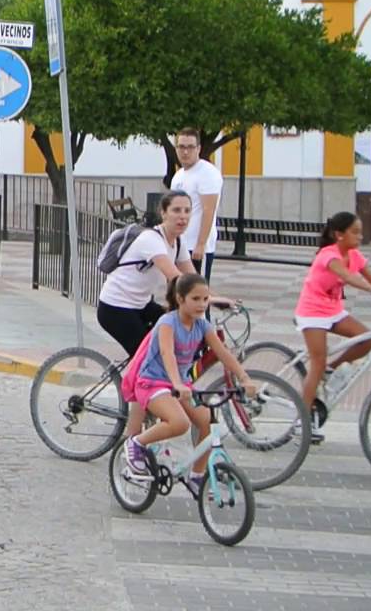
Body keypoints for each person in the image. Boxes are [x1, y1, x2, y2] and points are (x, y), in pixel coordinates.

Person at [97, 191, 231, 441]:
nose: (182, 217)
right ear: (163, 213)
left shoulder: (177, 242)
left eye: (187, 211)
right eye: (176, 211)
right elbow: (177, 279)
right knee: (147, 365)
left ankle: (153, 405)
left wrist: (216, 297)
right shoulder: (152, 240)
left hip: (140, 304)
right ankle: (133, 438)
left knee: (169, 334)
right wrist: (208, 300)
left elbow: (194, 279)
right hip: (115, 308)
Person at [121, 274, 256, 487]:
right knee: (180, 423)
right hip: (153, 383)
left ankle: (196, 475)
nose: (202, 304)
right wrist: (177, 383)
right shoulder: (167, 322)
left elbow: (223, 352)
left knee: (207, 422)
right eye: (196, 299)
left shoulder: (201, 325)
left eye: (205, 299)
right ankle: (136, 443)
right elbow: (167, 353)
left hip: (180, 386)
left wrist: (244, 378)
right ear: (180, 298)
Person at [294, 211, 371, 443]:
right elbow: (348, 277)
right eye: (355, 232)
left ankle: (330, 370)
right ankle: (303, 421)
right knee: (316, 363)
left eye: (361, 232)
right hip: (312, 312)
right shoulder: (328, 255)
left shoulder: (354, 255)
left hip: (333, 310)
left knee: (368, 339)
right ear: (339, 234)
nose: (360, 237)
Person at [171, 127, 222, 279]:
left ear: (198, 148)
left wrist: (201, 244)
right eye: (181, 147)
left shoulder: (207, 173)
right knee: (178, 292)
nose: (185, 152)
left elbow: (208, 209)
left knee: (197, 292)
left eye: (190, 147)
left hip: (196, 246)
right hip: (180, 245)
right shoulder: (178, 176)